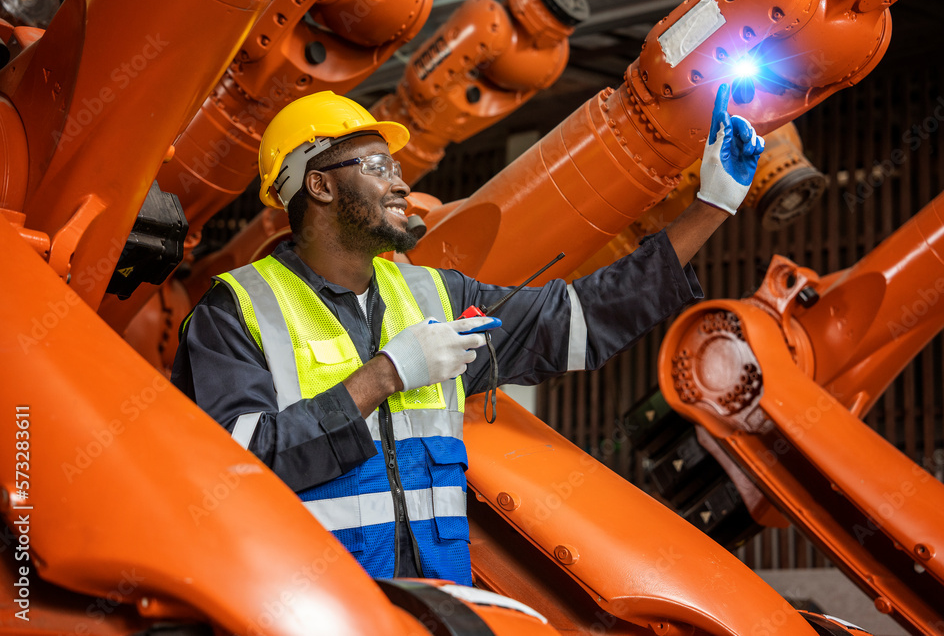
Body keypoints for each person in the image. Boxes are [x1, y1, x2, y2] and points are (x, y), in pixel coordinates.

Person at [171, 85, 764, 586]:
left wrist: (712, 206)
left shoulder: (433, 296)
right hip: (309, 603)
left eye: (397, 168)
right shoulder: (236, 310)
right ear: (319, 187)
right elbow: (236, 465)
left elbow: (576, 316)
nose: (400, 185)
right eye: (377, 168)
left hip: (439, 604)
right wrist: (387, 374)